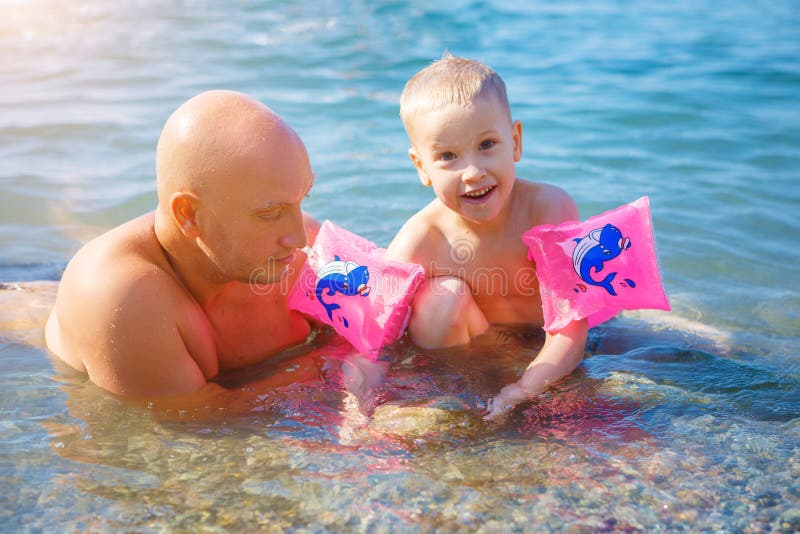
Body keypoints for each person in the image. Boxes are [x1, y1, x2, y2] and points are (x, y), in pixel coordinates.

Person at [45, 90, 322, 400]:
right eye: (270, 214)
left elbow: (381, 315)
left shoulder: (299, 246)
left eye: (301, 200)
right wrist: (333, 369)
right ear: (189, 215)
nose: (299, 238)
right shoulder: (121, 297)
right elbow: (193, 422)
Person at [386, 54, 589, 419]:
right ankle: (458, 399)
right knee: (441, 299)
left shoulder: (548, 210)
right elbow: (376, 339)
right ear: (422, 167)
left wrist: (526, 389)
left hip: (550, 349)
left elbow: (571, 327)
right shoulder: (422, 239)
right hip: (474, 353)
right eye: (448, 155)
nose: (473, 172)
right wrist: (361, 406)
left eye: (487, 145)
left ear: (516, 141)